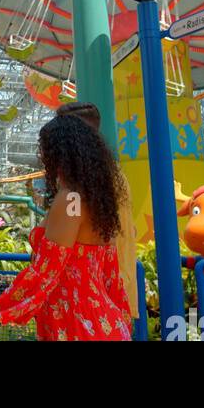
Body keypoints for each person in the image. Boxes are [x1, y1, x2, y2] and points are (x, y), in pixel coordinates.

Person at [0, 115, 132, 341]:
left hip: (77, 326)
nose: (42, 157)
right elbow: (111, 279)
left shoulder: (71, 200)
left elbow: (45, 272)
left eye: (45, 149)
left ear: (60, 153)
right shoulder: (95, 203)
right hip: (102, 324)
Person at [54, 101, 138, 317]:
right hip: (112, 290)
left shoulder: (85, 181)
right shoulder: (112, 173)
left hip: (92, 297)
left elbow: (65, 241)